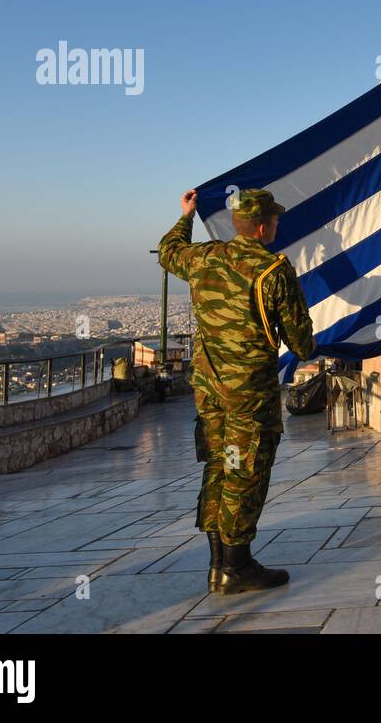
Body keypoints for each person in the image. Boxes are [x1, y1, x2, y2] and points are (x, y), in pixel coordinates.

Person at [159, 188, 317, 594]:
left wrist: (186, 215)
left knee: (218, 466)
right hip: (250, 398)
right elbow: (302, 343)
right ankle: (238, 565)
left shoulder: (204, 257)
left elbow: (168, 249)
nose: (277, 226)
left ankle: (218, 565)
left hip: (210, 393)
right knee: (244, 473)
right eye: (276, 221)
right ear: (263, 227)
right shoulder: (272, 271)